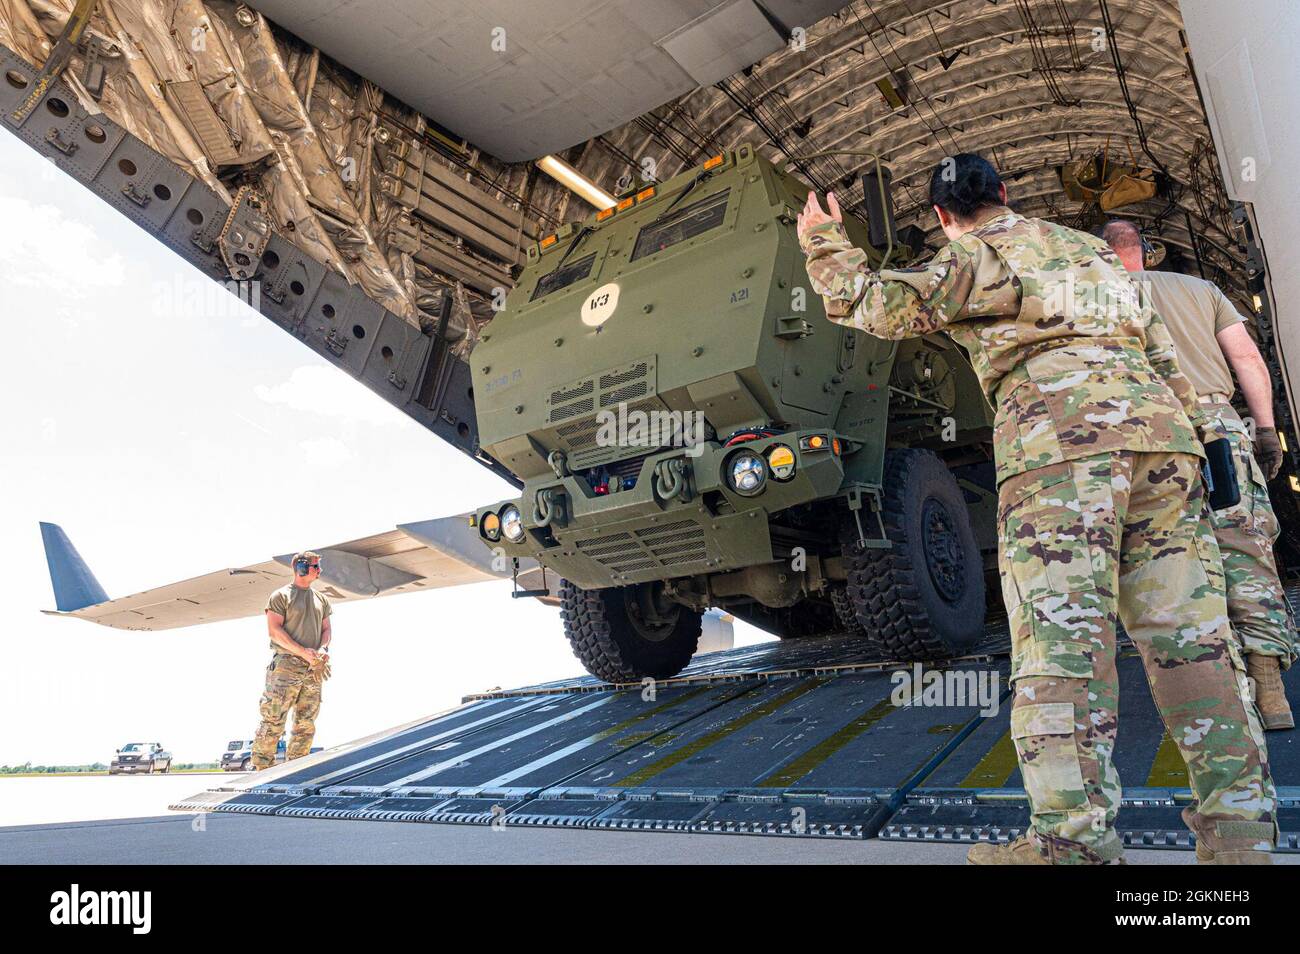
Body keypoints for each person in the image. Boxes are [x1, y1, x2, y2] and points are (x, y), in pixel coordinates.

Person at [798, 153, 1275, 864]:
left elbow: (871, 303)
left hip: (1061, 449)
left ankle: (1070, 842)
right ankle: (1241, 839)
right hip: (1162, 443)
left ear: (941, 217)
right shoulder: (1091, 252)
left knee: (1060, 650)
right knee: (1192, 642)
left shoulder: (974, 259)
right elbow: (1160, 350)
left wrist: (821, 240)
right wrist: (1204, 437)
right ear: (1006, 191)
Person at [1103, 219, 1295, 729]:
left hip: (1144, 437)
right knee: (1246, 550)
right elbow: (1249, 360)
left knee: (1172, 564)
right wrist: (1266, 431)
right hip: (1215, 430)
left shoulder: (1090, 300)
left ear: (1099, 257)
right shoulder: (1200, 289)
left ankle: (1214, 704)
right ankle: (1270, 689)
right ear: (1146, 251)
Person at [250, 550, 332, 770]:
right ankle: (261, 768)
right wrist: (302, 652)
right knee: (273, 719)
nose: (319, 571)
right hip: (286, 666)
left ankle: (295, 769)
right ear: (301, 568)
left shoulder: (321, 599)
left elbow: (326, 630)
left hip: (313, 667)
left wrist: (323, 649)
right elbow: (274, 631)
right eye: (315, 566)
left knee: (306, 722)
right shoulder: (281, 596)